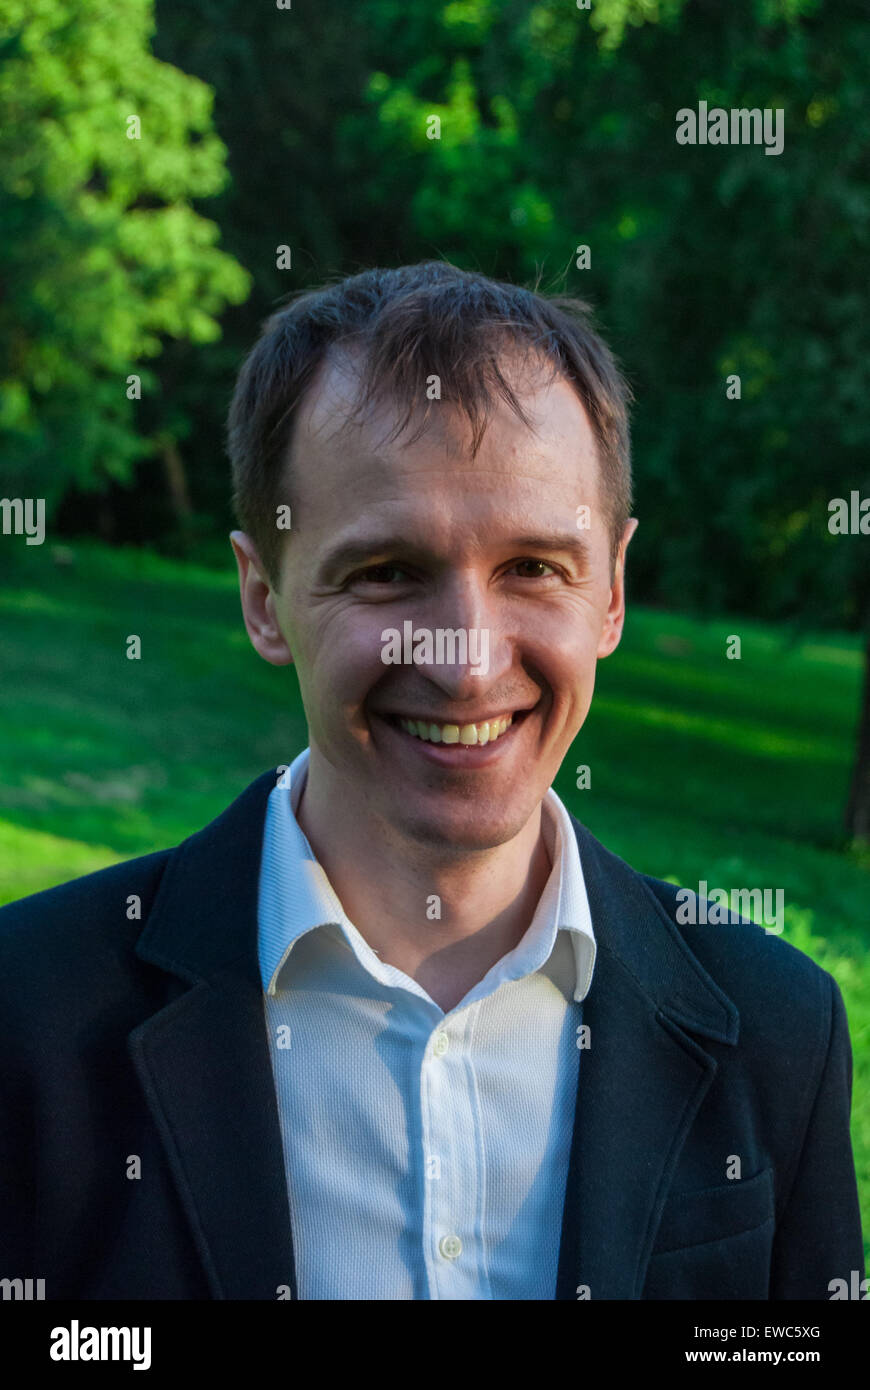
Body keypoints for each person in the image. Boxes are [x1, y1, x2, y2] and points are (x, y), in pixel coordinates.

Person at [0, 262, 863, 1300]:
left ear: (614, 591)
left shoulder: (774, 1028)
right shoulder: (32, 1013)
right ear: (263, 597)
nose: (464, 658)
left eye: (535, 568)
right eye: (388, 572)